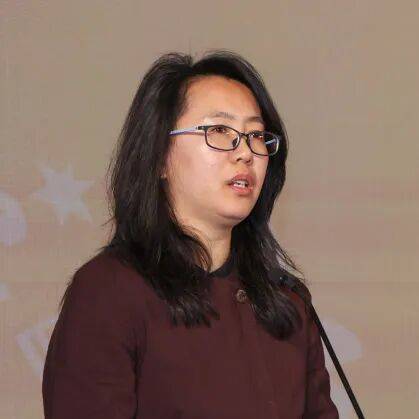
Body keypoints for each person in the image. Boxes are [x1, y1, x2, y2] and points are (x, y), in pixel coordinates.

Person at [42, 50, 339, 419]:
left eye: (256, 135)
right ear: (159, 156)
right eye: (219, 131)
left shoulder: (287, 302)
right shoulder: (109, 292)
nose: (245, 153)